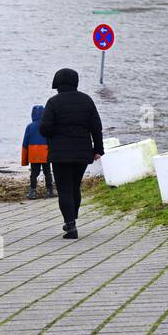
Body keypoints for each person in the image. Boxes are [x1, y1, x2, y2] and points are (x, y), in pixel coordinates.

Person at [38, 67, 104, 239]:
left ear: (57, 84)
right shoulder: (87, 100)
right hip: (82, 152)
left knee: (65, 189)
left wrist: (53, 133)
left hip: (60, 154)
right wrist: (98, 149)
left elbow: (44, 128)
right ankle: (72, 217)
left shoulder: (53, 102)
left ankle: (70, 225)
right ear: (76, 82)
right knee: (75, 186)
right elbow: (96, 127)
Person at [20, 104, 55, 199]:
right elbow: (52, 139)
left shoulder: (29, 127)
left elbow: (25, 143)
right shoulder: (47, 126)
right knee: (47, 172)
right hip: (45, 153)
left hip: (34, 154)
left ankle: (32, 192)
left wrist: (24, 160)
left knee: (34, 173)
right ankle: (49, 191)